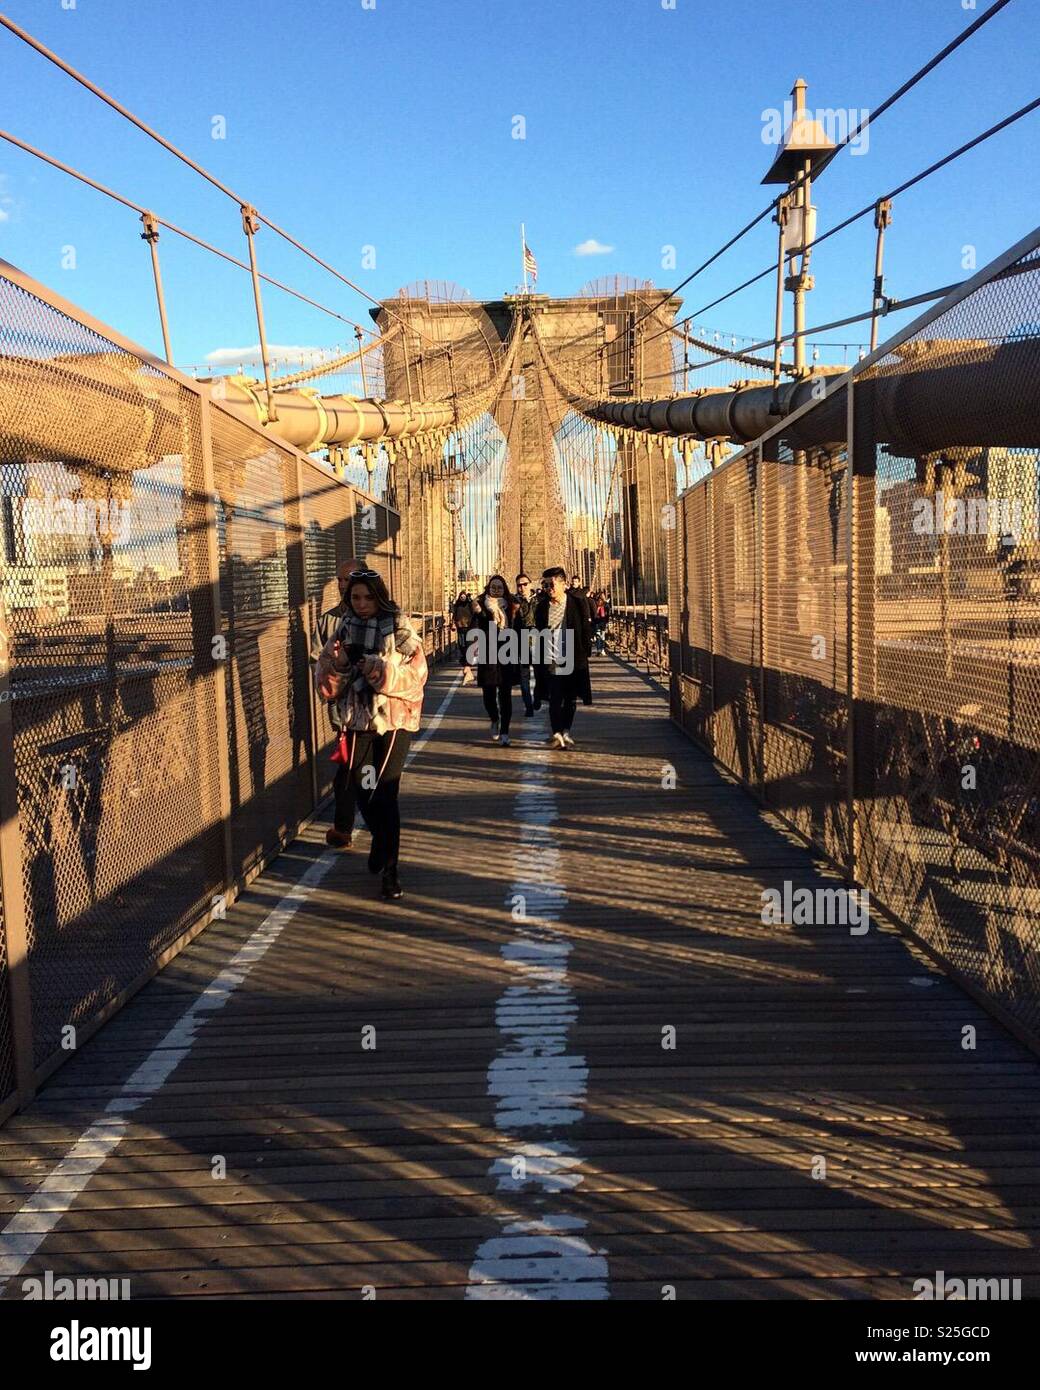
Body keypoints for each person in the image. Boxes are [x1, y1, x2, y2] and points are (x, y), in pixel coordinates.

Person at [313, 568, 428, 899]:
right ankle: (380, 837)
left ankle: (390, 871)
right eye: (354, 597)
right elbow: (325, 684)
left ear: (380, 596)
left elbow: (417, 678)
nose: (361, 603)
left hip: (393, 721)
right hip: (357, 719)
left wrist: (380, 671)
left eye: (367, 597)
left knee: (385, 794)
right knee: (362, 790)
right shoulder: (343, 630)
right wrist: (339, 666)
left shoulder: (400, 628)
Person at [311, 558, 362, 849]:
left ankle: (371, 823)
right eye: (340, 580)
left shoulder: (383, 617)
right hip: (344, 708)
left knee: (370, 769)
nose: (343, 585)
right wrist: (333, 683)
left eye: (349, 579)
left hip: (377, 708)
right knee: (348, 764)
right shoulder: (329, 621)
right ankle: (343, 826)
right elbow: (318, 662)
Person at [533, 566, 593, 749]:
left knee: (571, 698)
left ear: (563, 584)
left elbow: (585, 629)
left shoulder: (577, 602)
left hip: (573, 658)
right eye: (545, 585)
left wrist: (585, 652)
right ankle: (557, 732)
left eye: (552, 584)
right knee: (554, 697)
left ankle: (566, 730)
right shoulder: (542, 607)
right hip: (550, 658)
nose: (549, 588)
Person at [468, 574, 520, 747]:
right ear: (488, 589)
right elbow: (473, 631)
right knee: (488, 695)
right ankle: (494, 718)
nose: (496, 590)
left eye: (499, 587)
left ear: (504, 589)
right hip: (487, 655)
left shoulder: (512, 607)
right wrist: (467, 660)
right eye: (493, 587)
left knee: (505, 696)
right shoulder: (481, 607)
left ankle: (505, 732)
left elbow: (519, 630)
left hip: (507, 656)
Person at [513, 572, 537, 716]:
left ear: (530, 584)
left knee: (542, 674)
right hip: (520, 642)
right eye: (519, 585)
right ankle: (528, 706)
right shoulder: (513, 602)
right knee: (524, 677)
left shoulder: (540, 600)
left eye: (525, 584)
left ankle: (538, 698)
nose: (522, 588)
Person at [452, 590, 476, 663]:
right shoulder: (457, 605)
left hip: (469, 627)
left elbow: (474, 609)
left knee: (469, 643)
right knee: (461, 643)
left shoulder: (469, 604)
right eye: (461, 597)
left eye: (464, 597)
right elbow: (454, 615)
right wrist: (453, 623)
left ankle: (468, 657)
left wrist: (470, 599)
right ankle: (464, 655)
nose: (462, 598)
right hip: (460, 627)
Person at [591, 589, 610, 656]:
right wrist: (607, 621)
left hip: (598, 621)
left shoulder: (596, 604)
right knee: (602, 636)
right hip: (602, 621)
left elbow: (607, 613)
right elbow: (608, 614)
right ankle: (601, 649)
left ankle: (599, 649)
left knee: (599, 635)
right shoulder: (605, 604)